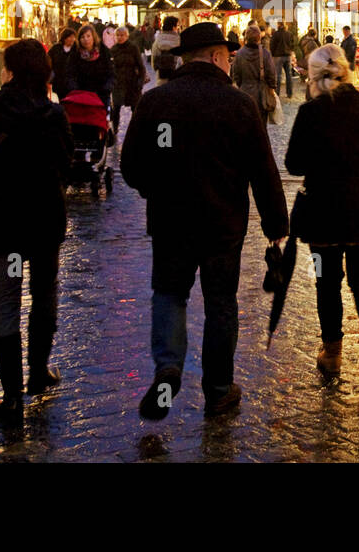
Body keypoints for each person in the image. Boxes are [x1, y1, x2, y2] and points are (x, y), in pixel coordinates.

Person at [121, 22, 288, 420]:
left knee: (169, 294)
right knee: (220, 304)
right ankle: (217, 389)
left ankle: (168, 368)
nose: (230, 64)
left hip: (170, 222)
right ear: (216, 57)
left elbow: (131, 166)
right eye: (228, 58)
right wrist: (275, 228)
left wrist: (154, 190)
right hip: (222, 224)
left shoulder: (157, 102)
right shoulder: (237, 106)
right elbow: (263, 172)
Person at [0, 38, 74, 422]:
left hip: (3, 224)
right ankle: (39, 373)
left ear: (9, 69)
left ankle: (11, 397)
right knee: (44, 296)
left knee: (6, 303)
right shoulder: (53, 114)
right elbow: (67, 165)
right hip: (42, 222)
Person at [285, 44, 359, 384]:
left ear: (312, 76)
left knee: (326, 282)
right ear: (347, 70)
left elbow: (293, 163)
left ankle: (332, 354)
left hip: (323, 216)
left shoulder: (310, 112)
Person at [231, 25, 279, 123]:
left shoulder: (240, 54)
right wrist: (272, 88)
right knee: (261, 124)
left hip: (244, 92)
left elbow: (235, 74)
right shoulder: (265, 54)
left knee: (246, 124)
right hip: (261, 95)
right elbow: (271, 74)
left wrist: (242, 85)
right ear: (259, 38)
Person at [110, 26, 148, 135]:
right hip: (118, 84)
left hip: (132, 83)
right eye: (118, 35)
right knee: (116, 107)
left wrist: (140, 82)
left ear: (127, 36)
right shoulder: (113, 49)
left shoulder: (133, 48)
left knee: (135, 108)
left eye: (122, 35)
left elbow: (141, 66)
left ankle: (134, 130)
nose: (120, 37)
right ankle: (115, 129)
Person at [74, 24, 114, 103]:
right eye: (82, 37)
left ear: (93, 37)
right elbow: (70, 73)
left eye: (88, 36)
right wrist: (74, 88)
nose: (86, 39)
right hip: (81, 96)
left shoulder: (103, 51)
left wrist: (107, 87)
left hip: (101, 96)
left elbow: (111, 72)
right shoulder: (75, 53)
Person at [48, 27, 80, 98]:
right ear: (64, 38)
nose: (72, 39)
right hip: (58, 81)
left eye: (73, 37)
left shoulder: (77, 49)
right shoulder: (56, 48)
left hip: (72, 82)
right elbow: (48, 60)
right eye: (70, 37)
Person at [151, 15, 180, 86]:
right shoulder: (179, 41)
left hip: (162, 75)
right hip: (177, 76)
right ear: (173, 27)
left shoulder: (158, 40)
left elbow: (153, 61)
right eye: (177, 26)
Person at [271, 20, 295, 98]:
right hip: (287, 55)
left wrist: (273, 54)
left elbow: (272, 45)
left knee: (278, 75)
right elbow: (292, 44)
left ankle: (277, 93)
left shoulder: (276, 34)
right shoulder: (289, 34)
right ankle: (289, 93)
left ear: (278, 25)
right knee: (289, 75)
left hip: (278, 56)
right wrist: (290, 51)